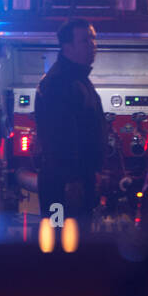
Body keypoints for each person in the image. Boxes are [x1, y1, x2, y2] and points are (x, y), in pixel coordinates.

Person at [34, 18, 107, 234]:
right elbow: (59, 138)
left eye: (93, 39)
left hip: (77, 181)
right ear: (67, 47)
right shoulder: (58, 83)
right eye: (85, 40)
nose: (93, 45)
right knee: (61, 239)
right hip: (63, 186)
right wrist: (72, 182)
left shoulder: (77, 80)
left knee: (76, 241)